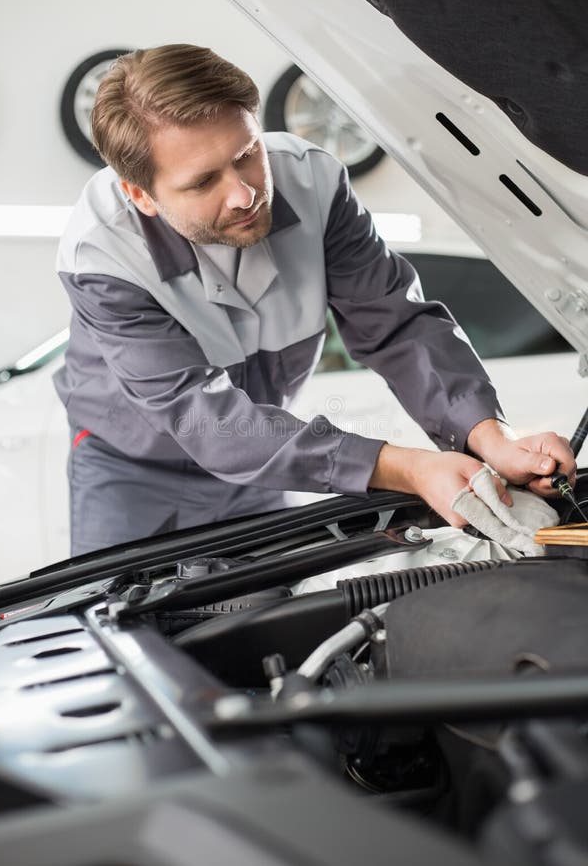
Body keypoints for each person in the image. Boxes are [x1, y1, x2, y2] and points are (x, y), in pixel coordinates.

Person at [54, 44, 575, 557]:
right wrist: (411, 469)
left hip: (264, 458)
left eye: (246, 155)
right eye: (204, 181)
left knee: (268, 620)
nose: (243, 194)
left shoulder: (314, 182)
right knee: (122, 628)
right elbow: (206, 423)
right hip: (131, 473)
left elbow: (396, 325)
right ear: (139, 194)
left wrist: (490, 436)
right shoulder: (100, 253)